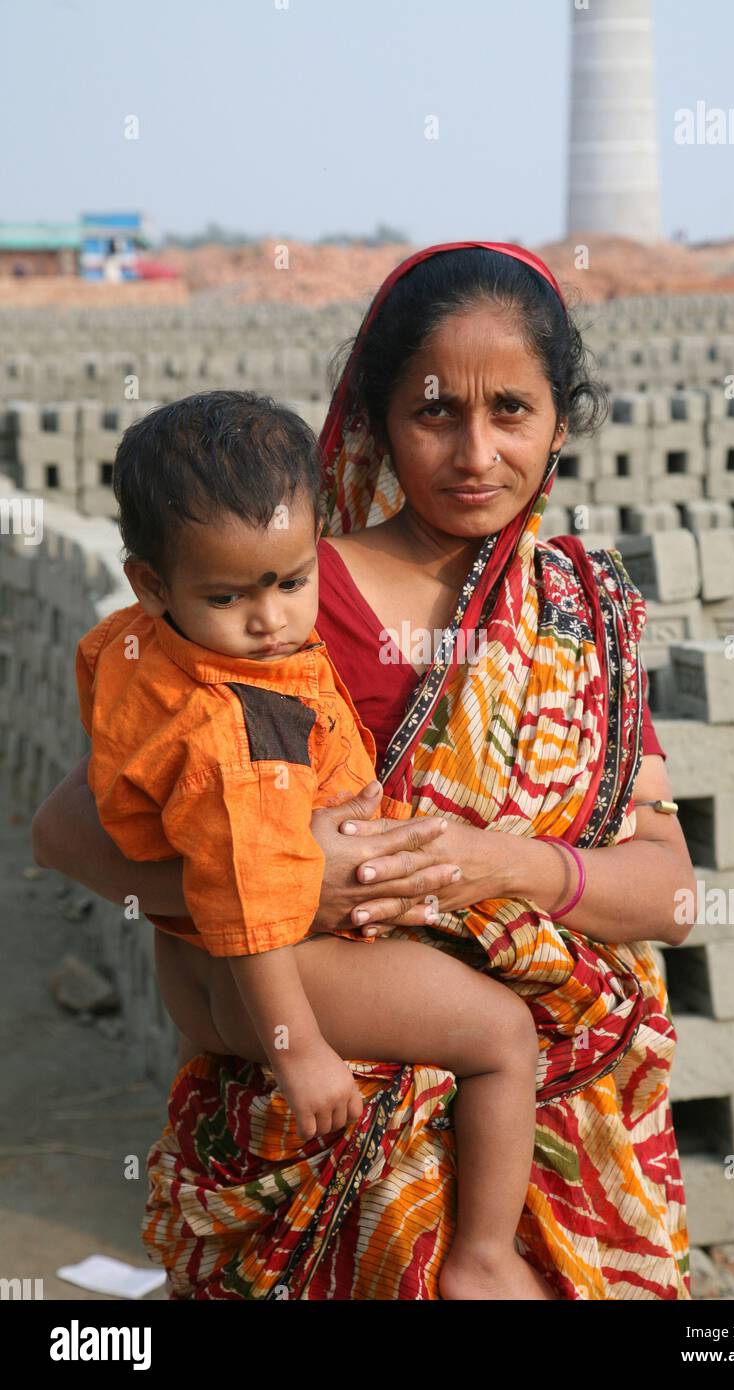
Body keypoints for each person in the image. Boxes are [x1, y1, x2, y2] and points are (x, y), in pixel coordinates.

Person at [32, 241, 696, 1300]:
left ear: (559, 422)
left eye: (511, 411)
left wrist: (500, 865)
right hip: (320, 1101)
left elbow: (666, 893)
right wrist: (292, 884)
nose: (474, 451)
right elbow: (71, 835)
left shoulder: (578, 616)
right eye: (436, 412)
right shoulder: (287, 601)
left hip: (533, 1112)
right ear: (380, 419)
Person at [76, 389, 555, 1301]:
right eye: (230, 596)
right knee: (502, 1034)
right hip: (284, 969)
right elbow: (249, 901)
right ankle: (485, 1259)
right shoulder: (247, 730)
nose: (271, 622)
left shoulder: (134, 649)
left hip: (206, 967)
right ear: (152, 583)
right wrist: (297, 1048)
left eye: (293, 583)